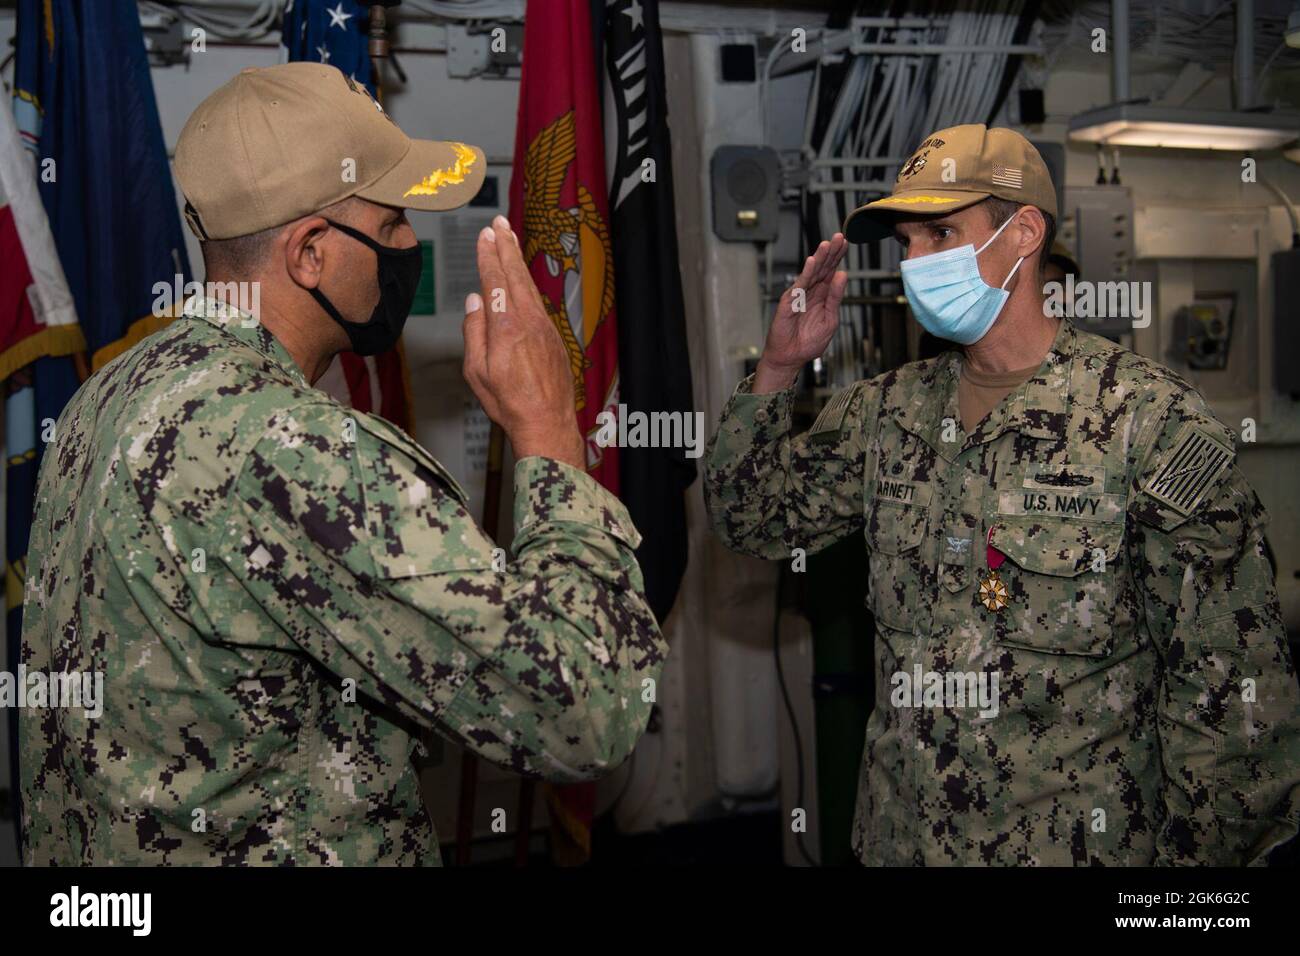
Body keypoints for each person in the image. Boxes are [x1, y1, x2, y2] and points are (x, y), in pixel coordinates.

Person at [20, 62, 665, 865]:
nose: (407, 246)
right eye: (393, 223)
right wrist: (548, 435)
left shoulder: (105, 395)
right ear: (312, 254)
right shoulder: (303, 452)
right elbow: (586, 711)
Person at [704, 123, 1300, 865]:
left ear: (1021, 233)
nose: (915, 263)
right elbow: (748, 519)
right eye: (908, 243)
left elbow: (1233, 698)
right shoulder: (886, 412)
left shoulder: (1144, 421)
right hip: (902, 843)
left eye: (941, 233)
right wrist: (777, 370)